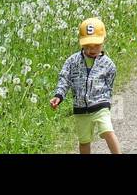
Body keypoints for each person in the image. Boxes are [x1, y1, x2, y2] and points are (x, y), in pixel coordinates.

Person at [51, 17, 121, 154]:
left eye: (96, 45)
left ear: (103, 41)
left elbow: (109, 85)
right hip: (80, 108)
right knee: (84, 141)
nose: (92, 49)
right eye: (87, 46)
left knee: (107, 130)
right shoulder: (72, 61)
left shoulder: (109, 65)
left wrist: (107, 102)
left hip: (101, 105)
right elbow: (64, 79)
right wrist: (59, 95)